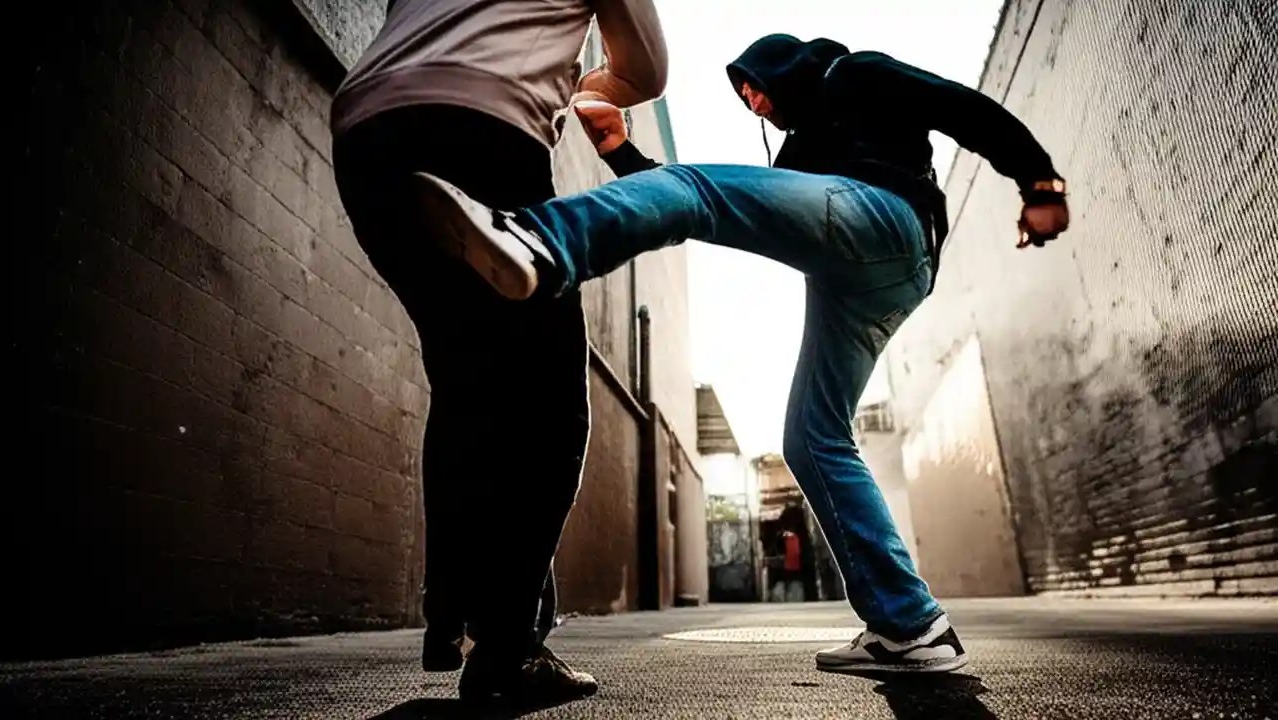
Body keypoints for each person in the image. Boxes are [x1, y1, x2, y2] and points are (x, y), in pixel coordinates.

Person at [410, 33, 1070, 674]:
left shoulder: (855, 74)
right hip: (874, 282)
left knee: (698, 190)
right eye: (745, 98)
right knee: (812, 438)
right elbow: (713, 204)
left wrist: (1039, 182)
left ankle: (540, 242)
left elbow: (960, 105)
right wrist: (619, 151)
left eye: (756, 89)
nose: (755, 104)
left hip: (889, 219)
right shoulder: (796, 158)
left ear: (781, 69)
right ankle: (909, 625)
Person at [328, 0, 668, 704]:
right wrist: (590, 89)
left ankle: (453, 608)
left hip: (365, 130)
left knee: (466, 381)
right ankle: (507, 649)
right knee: (549, 409)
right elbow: (647, 68)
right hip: (482, 129)